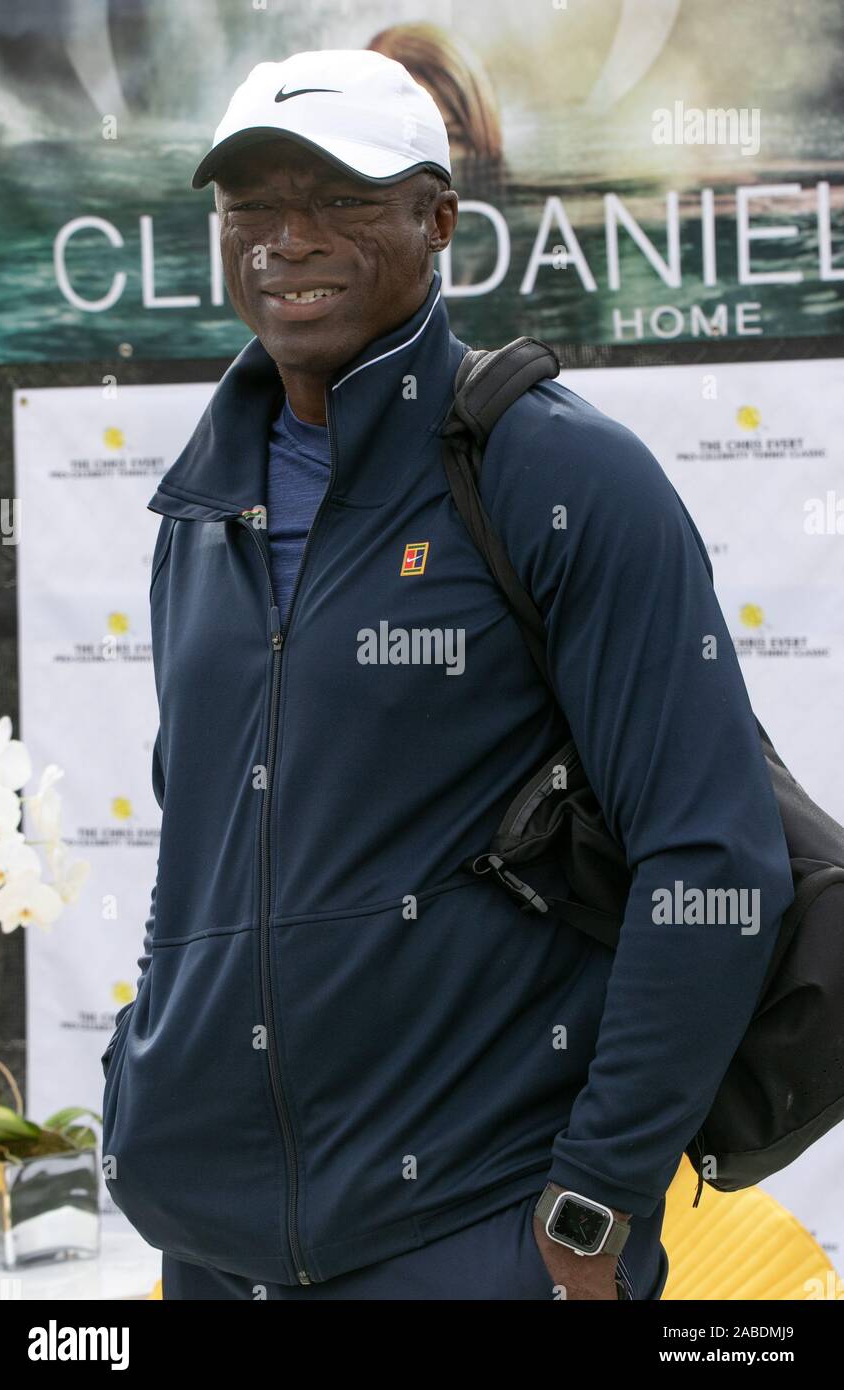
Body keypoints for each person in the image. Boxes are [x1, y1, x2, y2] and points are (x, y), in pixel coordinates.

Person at [100, 48, 795, 1301]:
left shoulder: (559, 479)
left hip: (473, 1235)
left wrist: (595, 1200)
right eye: (249, 201)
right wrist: (140, 1080)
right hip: (211, 1244)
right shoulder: (198, 513)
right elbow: (198, 849)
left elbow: (712, 862)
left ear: (439, 221)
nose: (286, 237)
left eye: (344, 197)